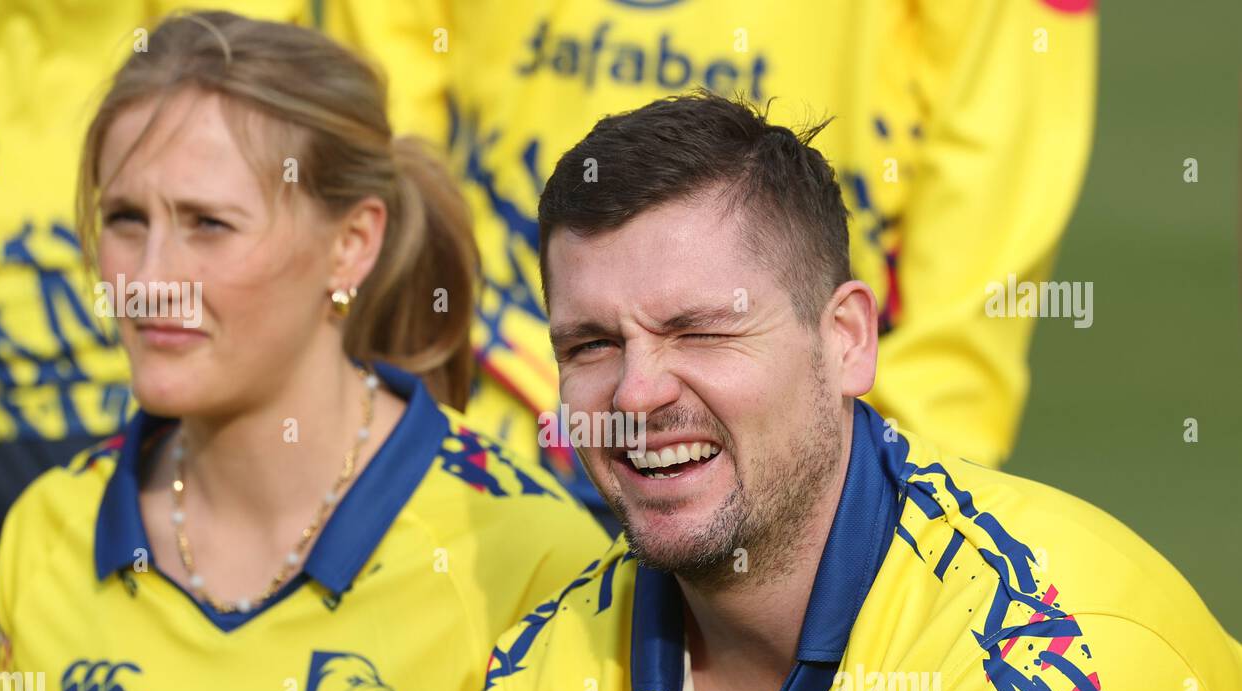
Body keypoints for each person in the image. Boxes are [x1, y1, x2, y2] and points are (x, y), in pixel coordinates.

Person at [443, 93, 1242, 691]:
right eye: (589, 346)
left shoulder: (1029, 669)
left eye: (702, 331)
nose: (637, 393)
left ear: (847, 340)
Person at [0, 11, 608, 691]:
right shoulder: (48, 532)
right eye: (126, 219)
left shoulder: (528, 558)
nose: (150, 280)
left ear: (352, 246)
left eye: (207, 223)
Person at [323, 0, 1097, 513]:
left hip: (799, 437)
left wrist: (900, 475)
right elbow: (378, 94)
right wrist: (406, 364)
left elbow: (998, 167)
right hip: (474, 415)